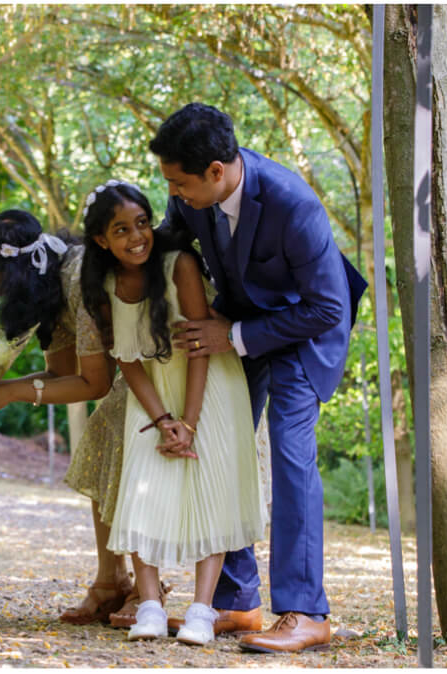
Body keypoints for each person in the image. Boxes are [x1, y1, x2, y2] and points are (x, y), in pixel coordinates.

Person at [149, 102, 368, 653]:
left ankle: (305, 611)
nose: (173, 194)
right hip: (239, 321)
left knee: (290, 455)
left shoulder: (293, 204)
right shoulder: (193, 199)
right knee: (221, 448)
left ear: (216, 172)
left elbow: (327, 308)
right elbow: (169, 239)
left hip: (305, 333)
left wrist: (234, 338)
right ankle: (237, 601)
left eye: (179, 183)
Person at [0, 210, 169, 626]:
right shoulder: (44, 290)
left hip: (161, 367)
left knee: (120, 436)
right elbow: (61, 376)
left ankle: (148, 591)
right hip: (129, 372)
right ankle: (111, 582)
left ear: (12, 266)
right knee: (102, 436)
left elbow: (95, 383)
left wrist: (11, 391)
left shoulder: (78, 276)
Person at [80, 180, 266, 646]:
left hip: (209, 389)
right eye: (121, 230)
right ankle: (149, 606)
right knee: (140, 492)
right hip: (153, 398)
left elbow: (201, 345)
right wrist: (164, 421)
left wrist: (190, 423)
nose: (136, 236)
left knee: (212, 493)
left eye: (142, 223)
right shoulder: (102, 283)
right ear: (102, 240)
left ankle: (202, 611)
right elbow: (127, 360)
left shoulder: (178, 264)